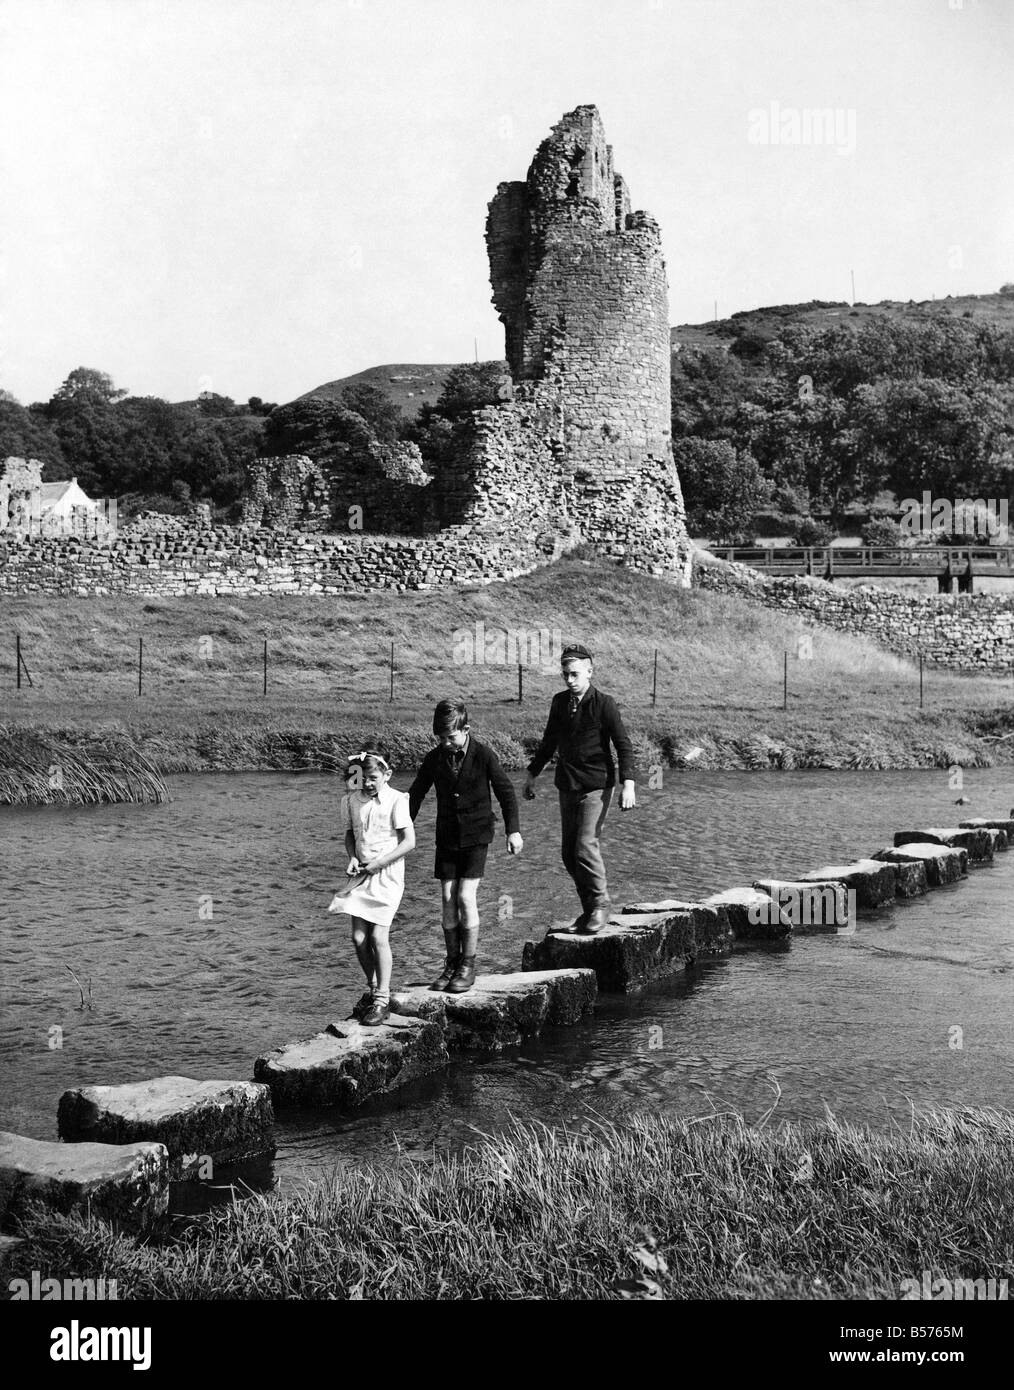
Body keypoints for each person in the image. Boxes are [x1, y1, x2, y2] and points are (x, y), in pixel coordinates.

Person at [408, 699, 523, 993]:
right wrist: (400, 829)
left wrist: (514, 831)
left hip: (476, 836)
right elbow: (416, 795)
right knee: (447, 897)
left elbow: (506, 793)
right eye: (441, 738)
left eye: (452, 737)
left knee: (464, 896)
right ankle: (451, 963)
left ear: (466, 729)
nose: (446, 743)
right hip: (447, 837)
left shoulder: (484, 755)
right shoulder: (433, 759)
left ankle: (468, 965)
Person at [523, 643, 635, 934]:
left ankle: (600, 905)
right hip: (567, 784)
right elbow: (549, 741)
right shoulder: (559, 702)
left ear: (589, 672)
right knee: (568, 853)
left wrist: (629, 785)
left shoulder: (604, 703)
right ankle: (589, 911)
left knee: (585, 845)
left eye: (574, 674)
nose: (569, 680)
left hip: (597, 785)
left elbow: (623, 745)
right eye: (565, 675)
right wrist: (532, 775)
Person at [328, 749, 415, 1025]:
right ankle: (375, 986)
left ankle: (381, 999)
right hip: (362, 876)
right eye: (363, 778)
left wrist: (380, 863)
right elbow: (350, 835)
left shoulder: (397, 800)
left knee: (378, 937)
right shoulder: (352, 801)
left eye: (373, 778)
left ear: (387, 775)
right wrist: (353, 856)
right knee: (358, 938)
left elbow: (409, 842)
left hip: (388, 875)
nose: (367, 783)